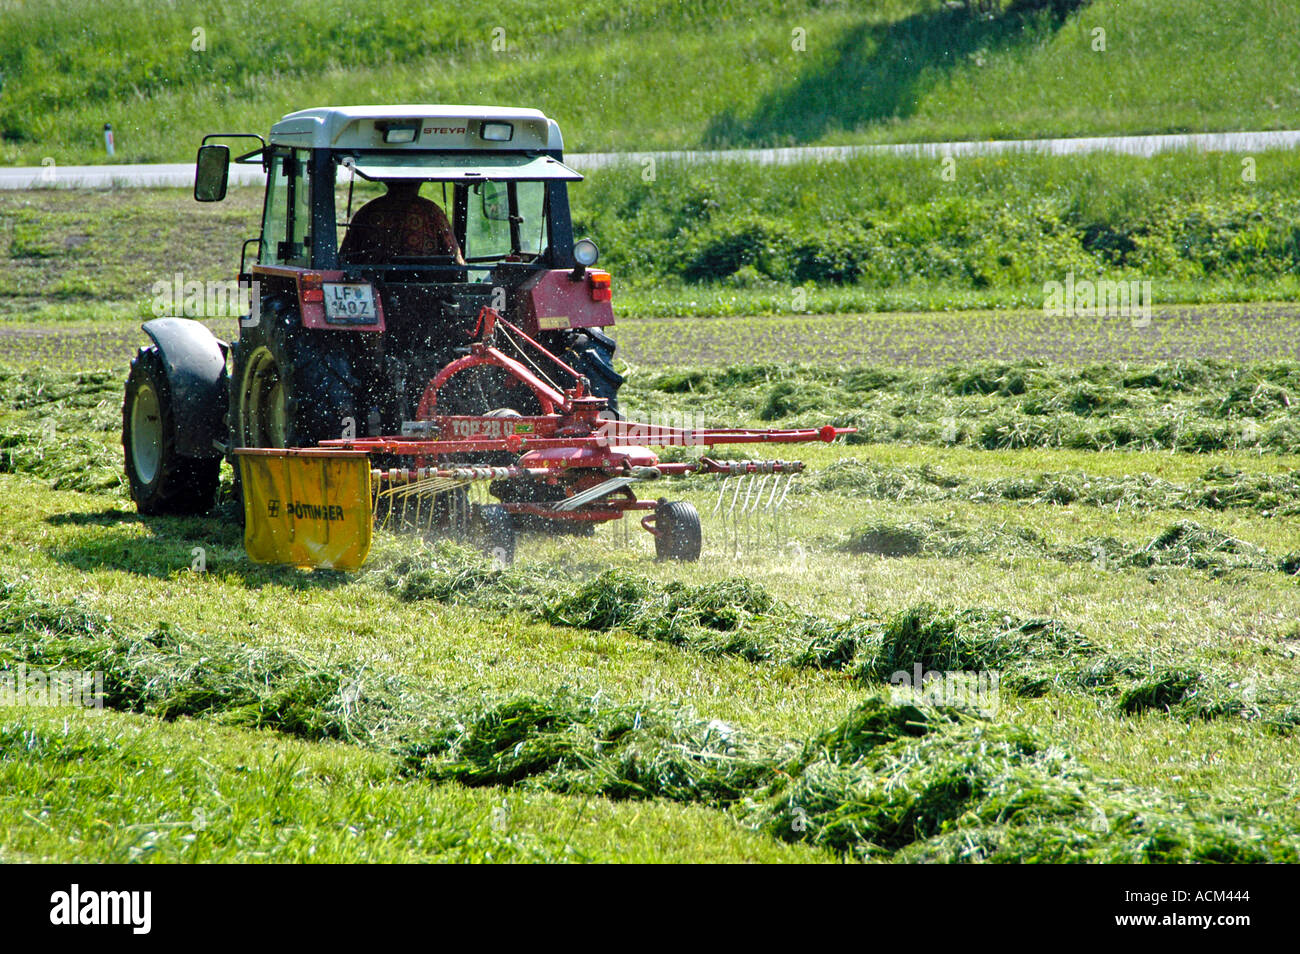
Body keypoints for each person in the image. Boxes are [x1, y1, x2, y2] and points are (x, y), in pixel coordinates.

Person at [340, 180, 465, 264]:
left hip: (373, 289)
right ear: (419, 183)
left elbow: (346, 258)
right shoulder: (432, 212)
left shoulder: (368, 211)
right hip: (425, 290)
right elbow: (454, 258)